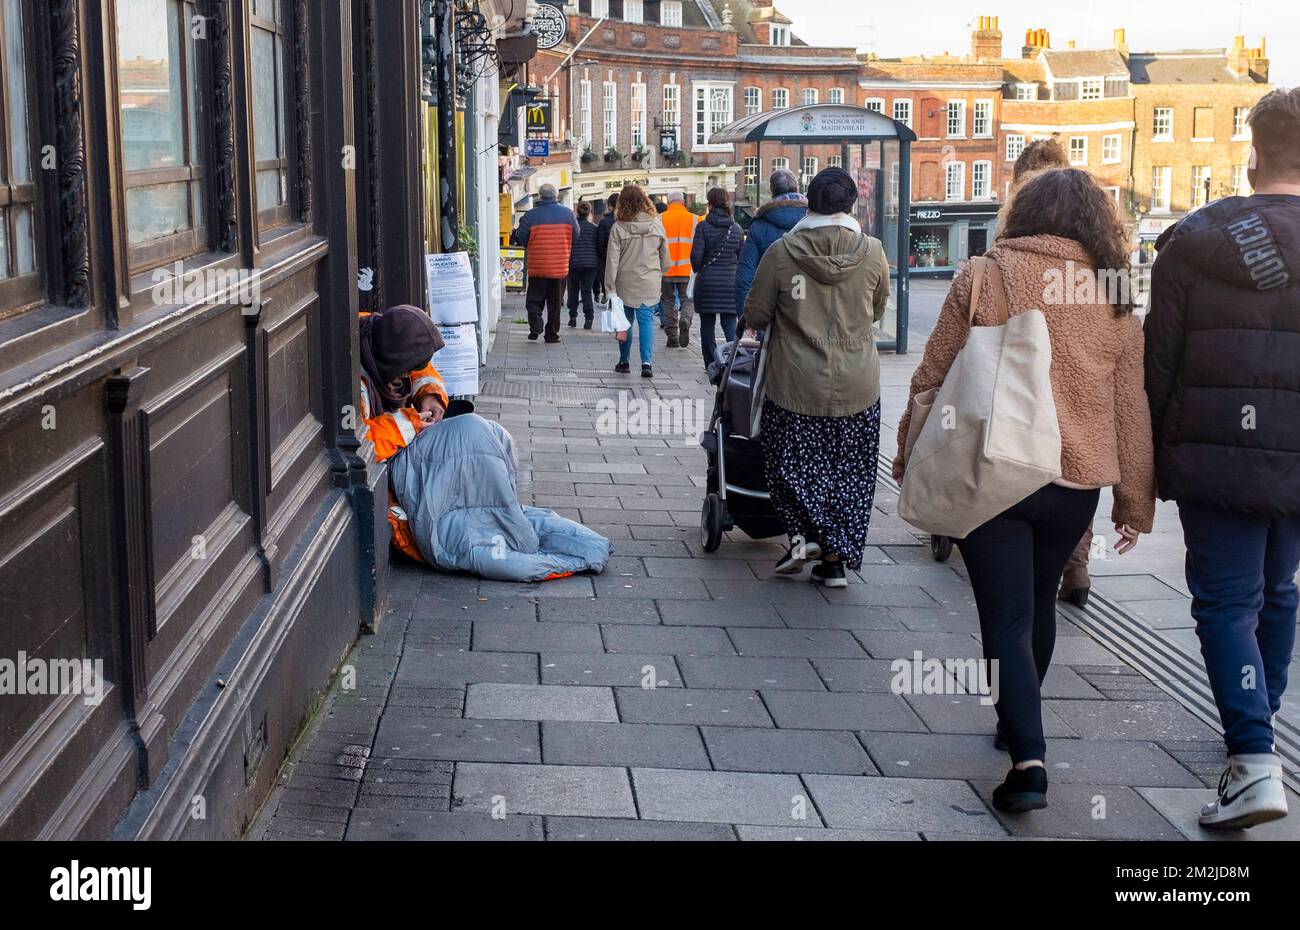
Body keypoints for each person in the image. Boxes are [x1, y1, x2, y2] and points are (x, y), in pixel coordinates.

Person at [894, 168, 1155, 814]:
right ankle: (1018, 720)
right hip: (1075, 484)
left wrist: (907, 450)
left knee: (1004, 616)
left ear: (1024, 213)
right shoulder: (1114, 289)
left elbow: (932, 374)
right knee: (1038, 601)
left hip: (997, 471)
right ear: (1095, 222)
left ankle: (1029, 760)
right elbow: (1133, 406)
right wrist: (1134, 501)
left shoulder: (986, 273)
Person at [1144, 87, 1300, 829]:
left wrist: (1146, 464)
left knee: (1228, 603)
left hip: (1217, 454)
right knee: (1279, 592)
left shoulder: (1195, 240)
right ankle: (1256, 732)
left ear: (1254, 151)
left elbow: (1159, 362)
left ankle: (1254, 756)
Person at [744, 167, 890, 590]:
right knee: (850, 471)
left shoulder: (783, 252)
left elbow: (756, 314)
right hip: (858, 384)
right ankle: (834, 561)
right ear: (851, 205)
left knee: (790, 465)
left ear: (809, 203)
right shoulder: (873, 251)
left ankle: (805, 535)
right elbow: (877, 309)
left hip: (793, 383)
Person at [357, 305, 450, 562]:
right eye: (401, 373)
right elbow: (361, 447)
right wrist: (408, 424)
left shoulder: (376, 330)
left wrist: (430, 393)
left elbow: (417, 363)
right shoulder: (352, 376)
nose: (404, 378)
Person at [604, 183, 669, 378]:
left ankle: (624, 361)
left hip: (624, 280)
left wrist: (610, 287)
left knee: (625, 322)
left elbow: (612, 260)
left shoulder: (618, 228)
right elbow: (665, 258)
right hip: (649, 280)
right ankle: (646, 363)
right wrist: (660, 272)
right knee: (646, 320)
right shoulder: (656, 224)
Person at [510, 182, 579, 343]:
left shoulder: (531, 215)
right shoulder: (568, 214)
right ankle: (551, 334)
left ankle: (535, 327)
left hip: (537, 267)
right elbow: (576, 236)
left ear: (540, 196)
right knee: (555, 304)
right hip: (560, 267)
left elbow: (521, 238)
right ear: (555, 196)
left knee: (534, 299)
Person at [735, 169, 807, 319]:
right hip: (808, 304)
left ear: (772, 190)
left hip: (771, 305)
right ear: (796, 187)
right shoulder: (814, 220)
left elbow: (745, 276)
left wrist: (745, 316)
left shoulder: (759, 224)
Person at [690, 187, 744, 368]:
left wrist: (701, 266)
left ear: (710, 203)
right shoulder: (736, 228)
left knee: (707, 324)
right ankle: (732, 360)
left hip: (707, 283)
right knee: (730, 323)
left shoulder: (703, 227)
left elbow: (696, 259)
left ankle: (711, 362)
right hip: (730, 283)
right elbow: (742, 256)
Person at [659, 191, 699, 347]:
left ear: (669, 203)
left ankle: (672, 336)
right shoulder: (695, 219)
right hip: (687, 269)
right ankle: (686, 319)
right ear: (683, 202)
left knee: (667, 301)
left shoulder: (660, 219)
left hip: (666, 269)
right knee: (688, 299)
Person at [567, 201, 600, 329]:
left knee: (573, 290)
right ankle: (589, 319)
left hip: (573, 262)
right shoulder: (594, 228)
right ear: (589, 213)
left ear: (577, 212)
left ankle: (573, 317)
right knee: (587, 291)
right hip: (590, 264)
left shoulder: (572, 228)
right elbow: (598, 247)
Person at [594, 192, 619, 303]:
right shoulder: (627, 220)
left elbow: (600, 241)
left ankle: (608, 293)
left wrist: (602, 254)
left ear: (610, 205)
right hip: (624, 257)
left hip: (607, 256)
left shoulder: (604, 221)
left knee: (607, 276)